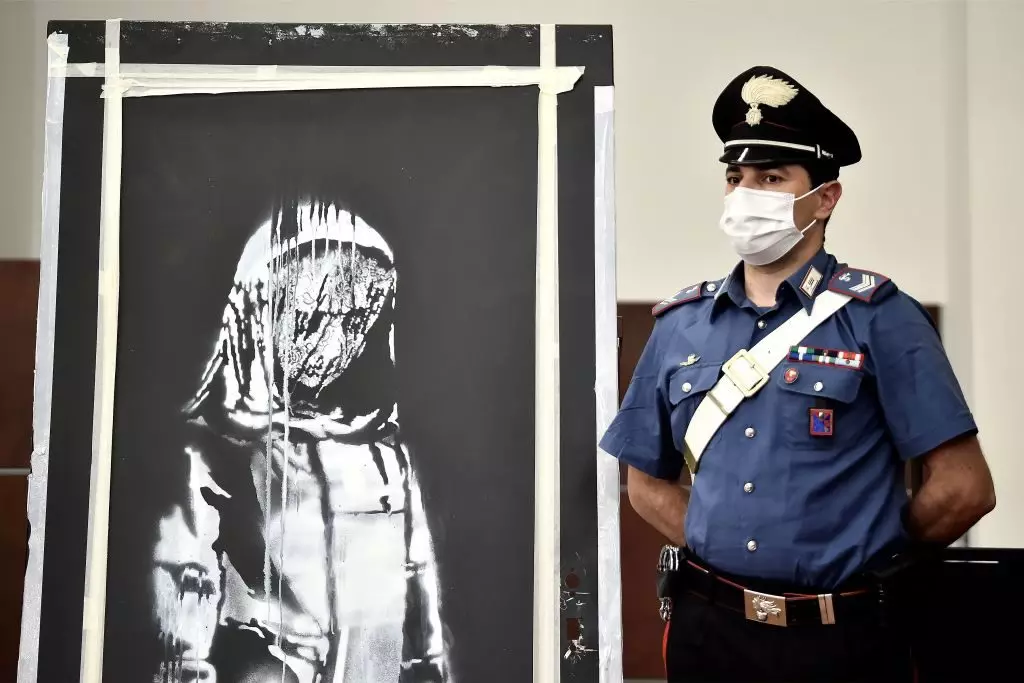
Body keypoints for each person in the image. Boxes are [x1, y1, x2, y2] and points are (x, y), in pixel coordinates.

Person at [599, 66, 997, 683]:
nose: (745, 195)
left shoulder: (881, 318)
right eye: (736, 178)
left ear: (826, 197)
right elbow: (644, 485)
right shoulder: (680, 325)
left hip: (842, 639)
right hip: (710, 633)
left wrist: (866, 550)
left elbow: (964, 487)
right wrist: (727, 548)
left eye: (772, 178)